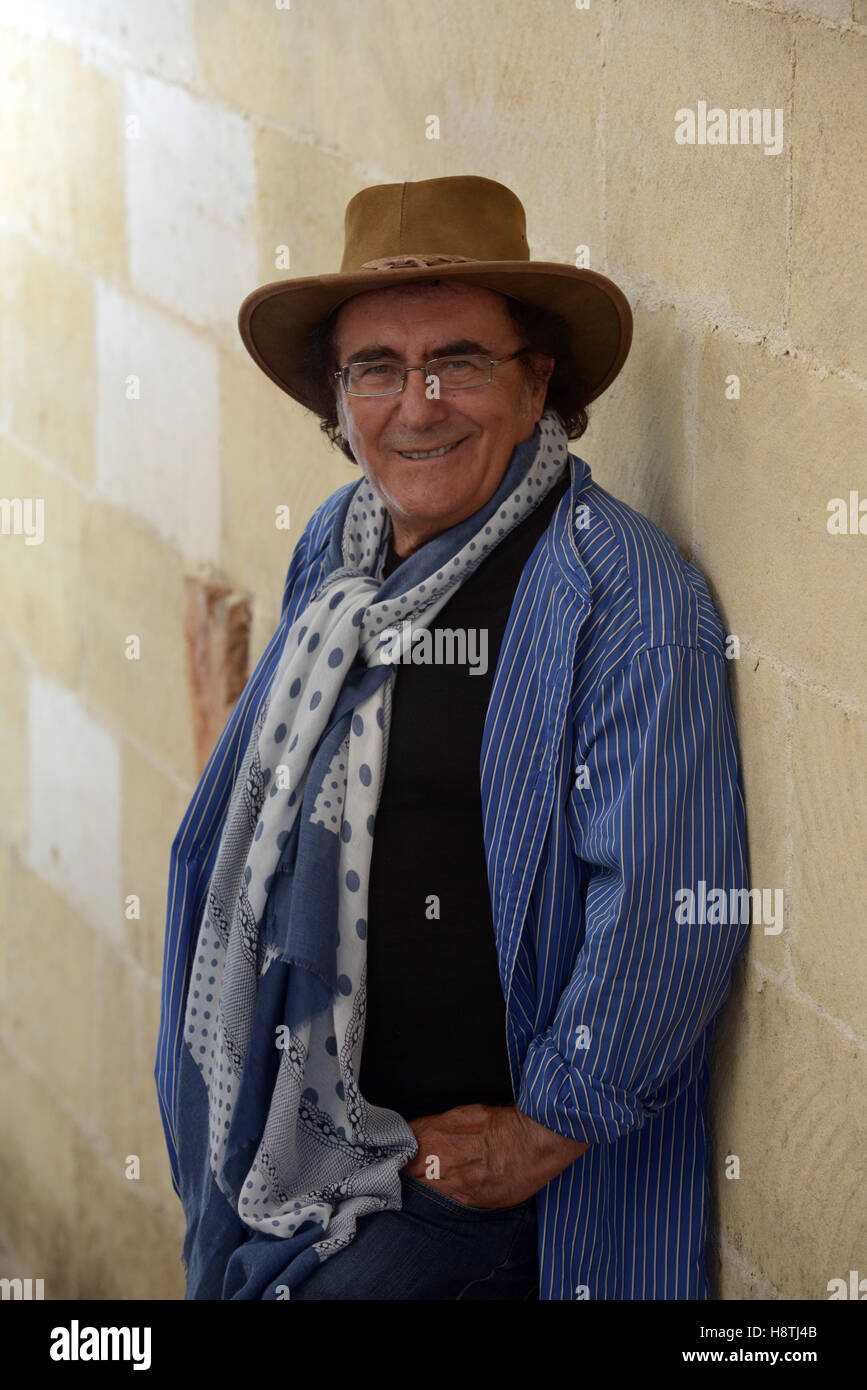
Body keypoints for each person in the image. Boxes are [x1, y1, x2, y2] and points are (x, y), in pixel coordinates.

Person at [155, 175, 750, 1300]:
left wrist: (543, 1131)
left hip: (484, 1209)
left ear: (538, 390)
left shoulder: (627, 606)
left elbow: (674, 906)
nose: (417, 402)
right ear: (340, 405)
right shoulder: (343, 545)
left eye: (460, 361)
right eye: (376, 367)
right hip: (298, 1152)